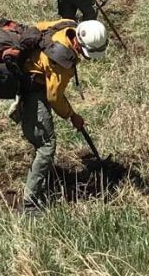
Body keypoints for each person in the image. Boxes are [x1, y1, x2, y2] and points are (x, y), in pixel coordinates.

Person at [18, 19, 108, 213]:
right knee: (46, 145)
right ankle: (29, 203)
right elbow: (54, 97)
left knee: (42, 140)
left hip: (34, 75)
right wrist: (72, 115)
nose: (87, 58)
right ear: (78, 43)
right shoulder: (62, 59)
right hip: (33, 88)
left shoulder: (68, 25)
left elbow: (40, 26)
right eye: (87, 54)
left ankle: (43, 174)